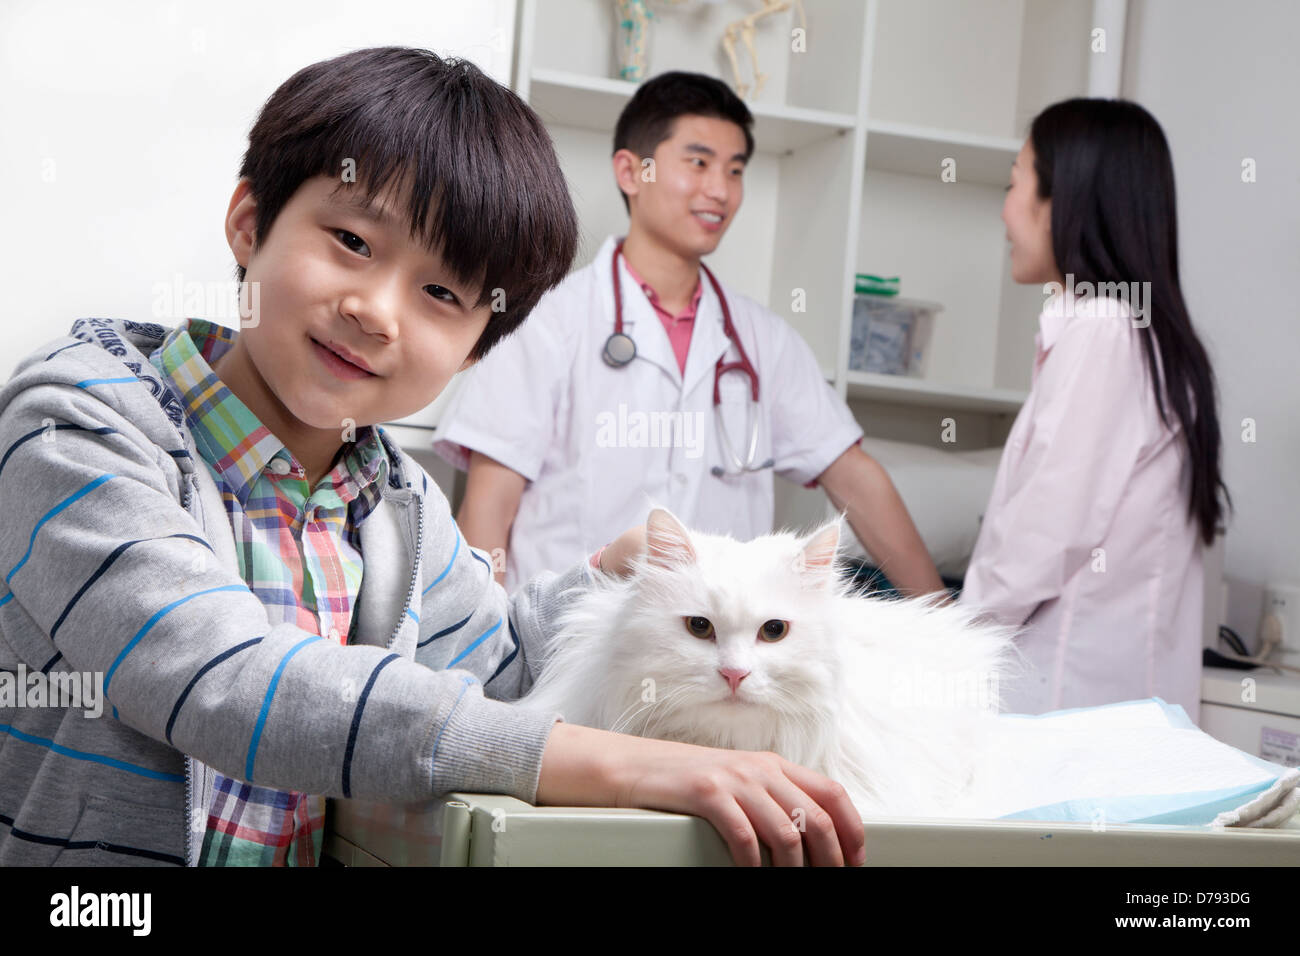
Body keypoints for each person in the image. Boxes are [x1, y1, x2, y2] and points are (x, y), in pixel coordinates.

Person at [0, 47, 864, 868]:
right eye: (352, 243)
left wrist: (608, 568)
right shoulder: (78, 427)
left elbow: (493, 670)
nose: (377, 311)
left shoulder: (394, 502)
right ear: (249, 222)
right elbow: (217, 680)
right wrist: (631, 766)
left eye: (443, 293)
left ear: (478, 348)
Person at [434, 72, 944, 597]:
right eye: (698, 162)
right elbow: (489, 507)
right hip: (569, 648)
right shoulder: (547, 320)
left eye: (736, 169)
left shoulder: (762, 340)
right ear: (631, 172)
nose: (720, 190)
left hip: (723, 654)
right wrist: (487, 649)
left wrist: (942, 621)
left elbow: (856, 479)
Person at [960, 98, 1230, 720]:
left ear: (1066, 198)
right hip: (1109, 713)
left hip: (1065, 707)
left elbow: (1043, 537)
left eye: (1014, 182)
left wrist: (952, 642)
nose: (1004, 212)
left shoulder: (1105, 329)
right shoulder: (1142, 333)